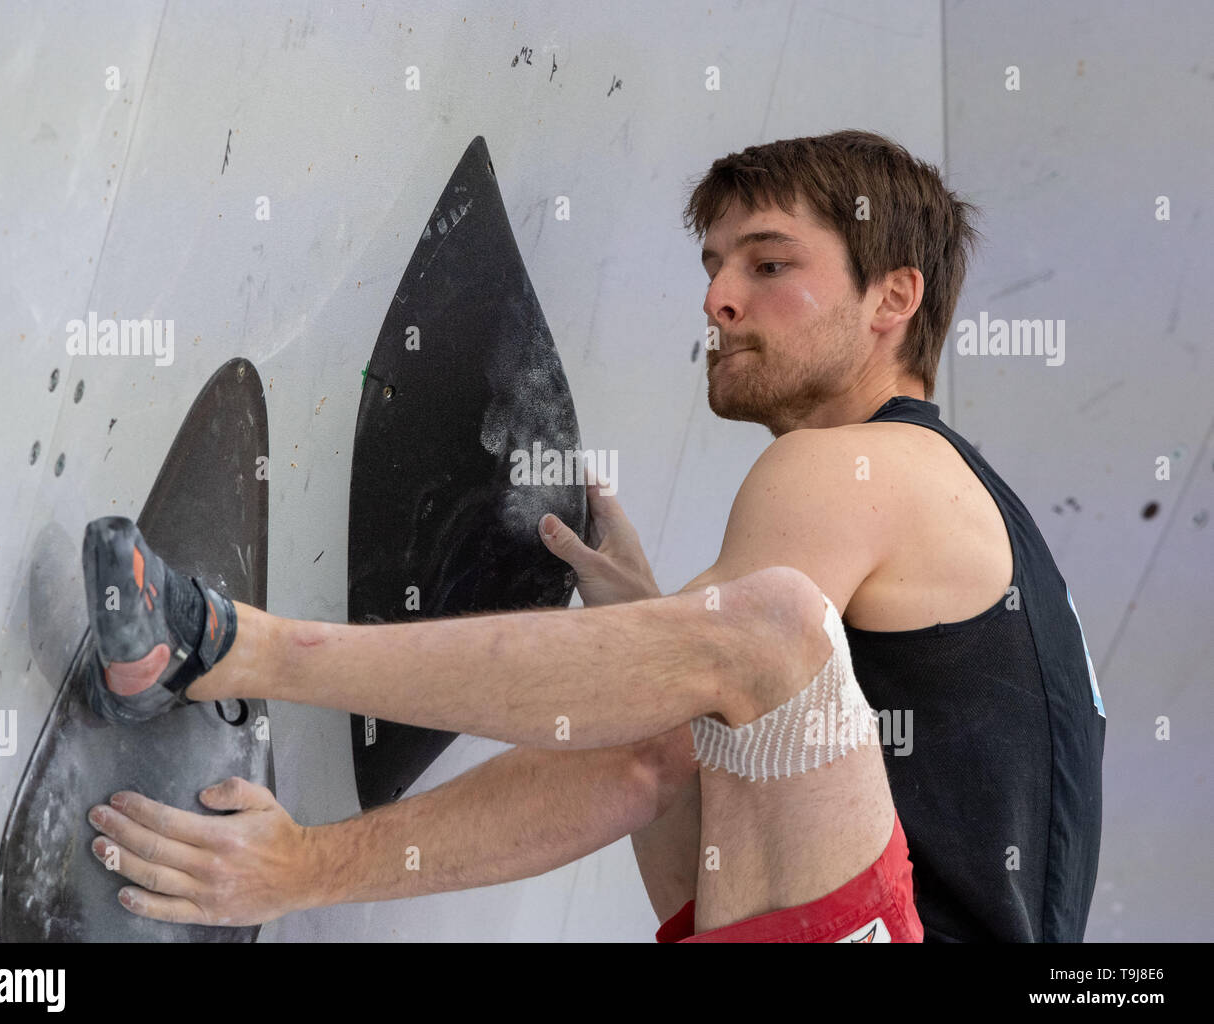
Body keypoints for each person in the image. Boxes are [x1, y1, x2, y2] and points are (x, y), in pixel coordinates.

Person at [81, 130, 1105, 942]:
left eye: (769, 261)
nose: (718, 296)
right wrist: (653, 632)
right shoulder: (979, 520)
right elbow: (697, 758)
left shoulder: (861, 467)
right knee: (720, 666)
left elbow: (647, 757)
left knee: (767, 636)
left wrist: (305, 868)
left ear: (893, 298)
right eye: (713, 264)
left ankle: (225, 647)